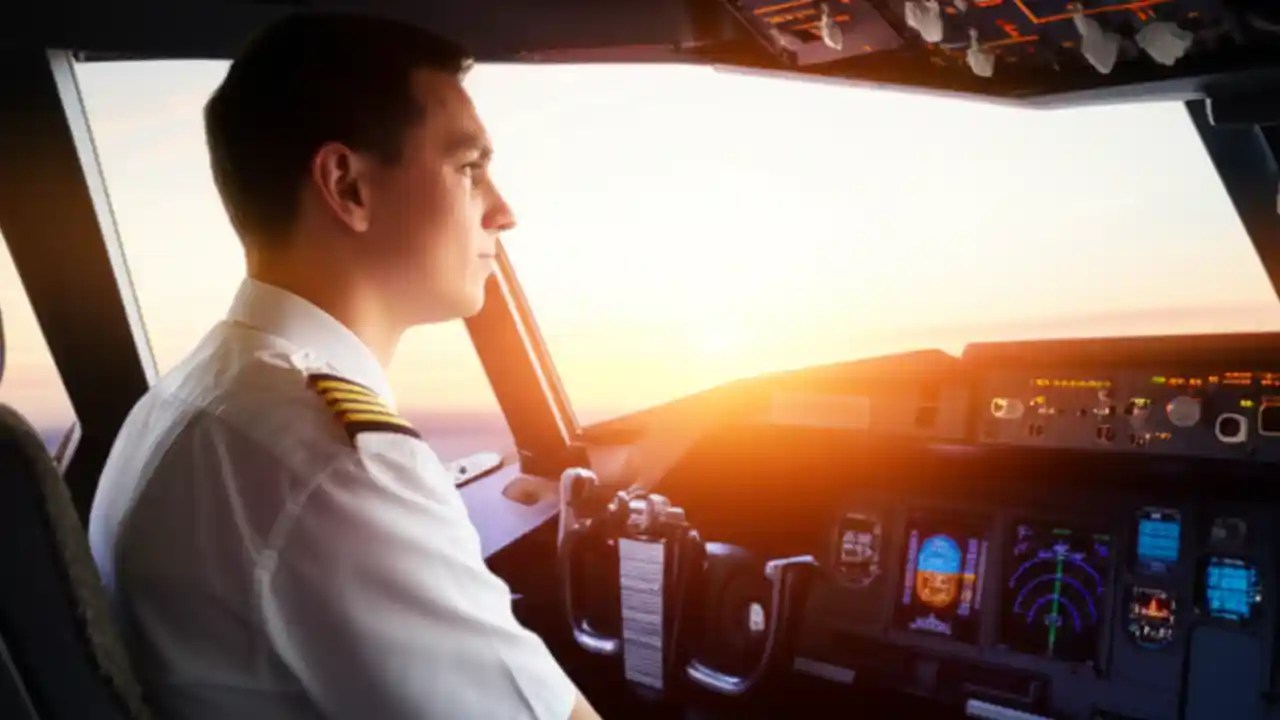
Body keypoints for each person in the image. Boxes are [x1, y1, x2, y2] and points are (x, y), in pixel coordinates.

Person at [88, 13, 600, 720]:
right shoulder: (331, 463)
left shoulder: (194, 396)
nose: (502, 211)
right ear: (347, 186)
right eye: (469, 168)